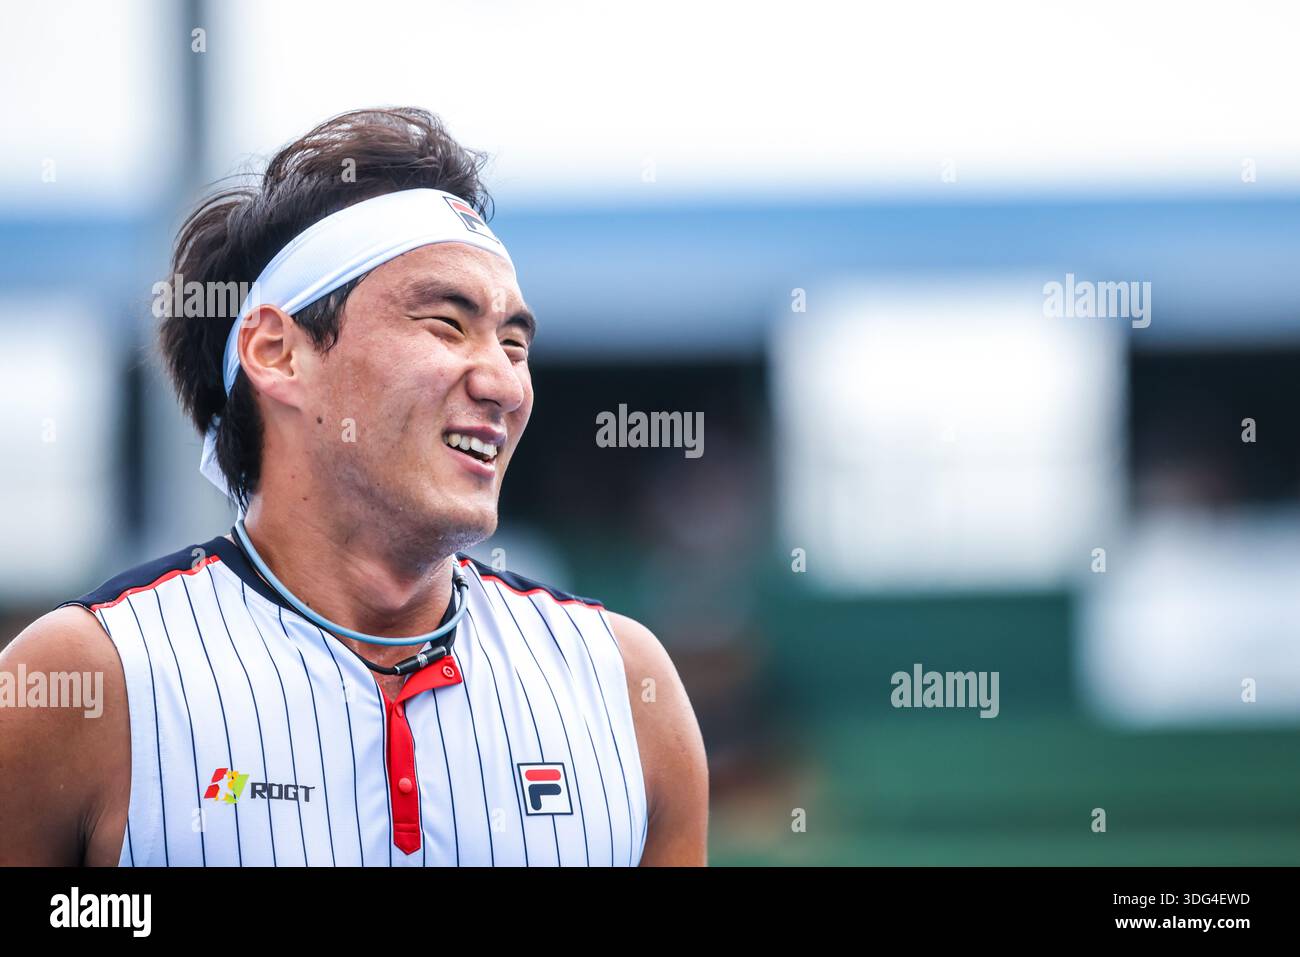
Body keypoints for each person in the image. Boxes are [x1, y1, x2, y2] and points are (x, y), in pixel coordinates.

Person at [0, 108, 708, 866]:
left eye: (514, 342)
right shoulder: (83, 681)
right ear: (278, 353)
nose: (505, 382)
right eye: (446, 323)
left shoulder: (626, 684)